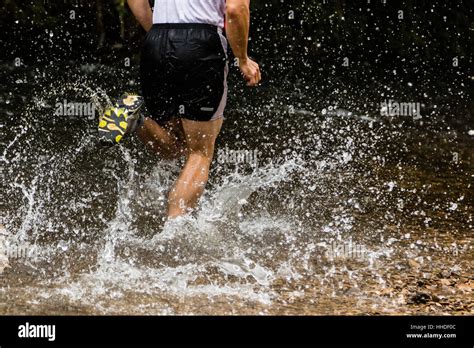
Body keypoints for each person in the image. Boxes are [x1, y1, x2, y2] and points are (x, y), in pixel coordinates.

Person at [99, 0, 261, 219]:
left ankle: (137, 119)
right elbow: (235, 9)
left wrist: (158, 32)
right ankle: (174, 229)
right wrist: (242, 59)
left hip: (157, 41)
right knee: (201, 152)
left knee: (176, 149)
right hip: (200, 43)